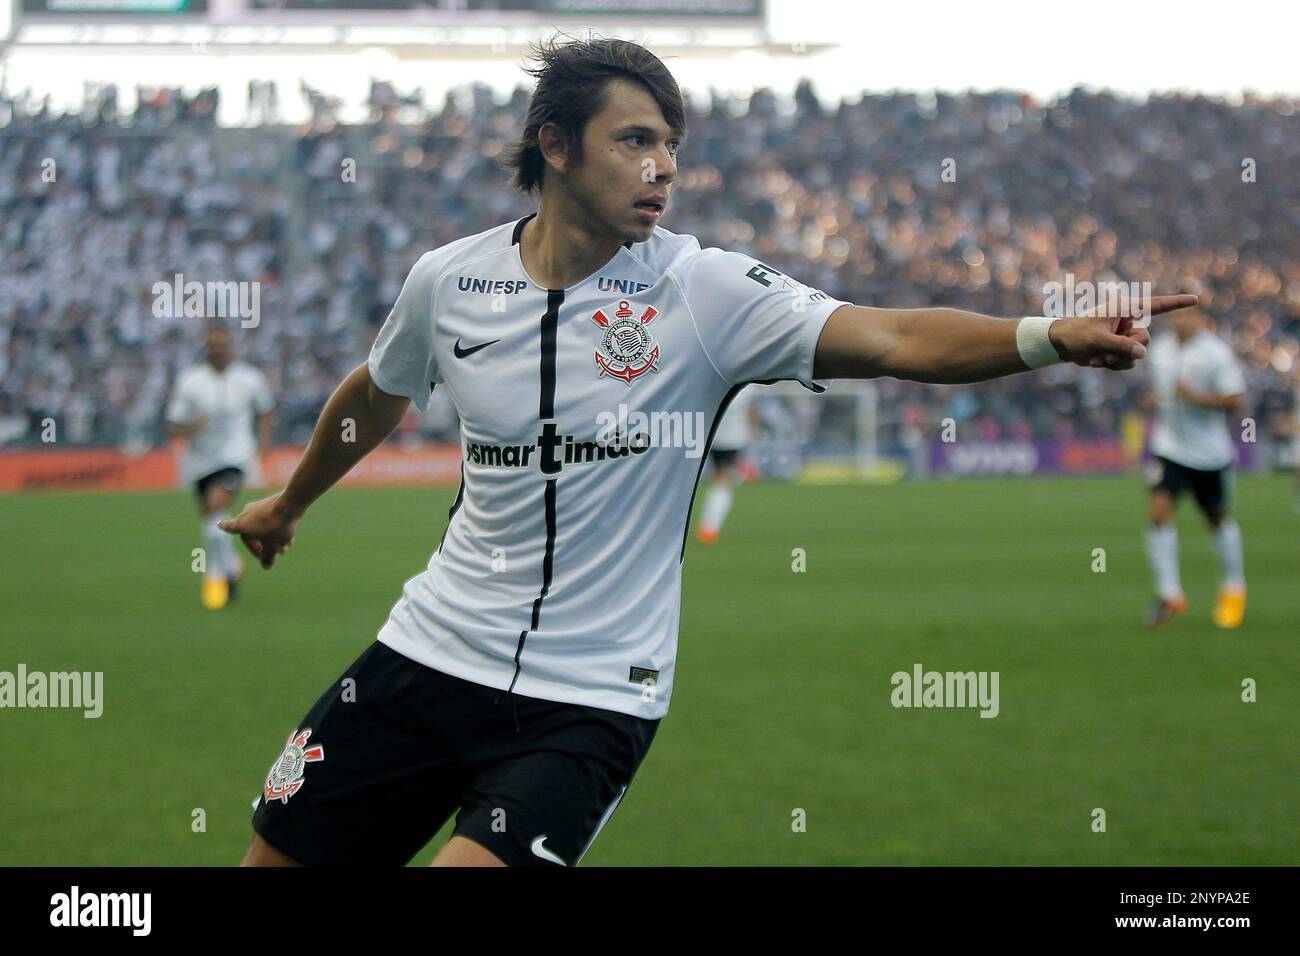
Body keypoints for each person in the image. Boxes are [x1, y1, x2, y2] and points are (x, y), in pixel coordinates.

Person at [221, 37, 1186, 868]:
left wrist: (1045, 336)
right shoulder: (450, 279)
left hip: (587, 698)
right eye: (635, 140)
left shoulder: (705, 290)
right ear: (555, 147)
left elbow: (891, 339)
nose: (663, 168)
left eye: (672, 146)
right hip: (424, 655)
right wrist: (290, 502)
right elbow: (378, 392)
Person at [1142, 307, 1248, 629]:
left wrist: (1196, 398)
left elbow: (1235, 400)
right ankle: (1169, 594)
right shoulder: (1159, 349)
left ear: (1201, 319)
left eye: (1189, 316)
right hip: (1169, 448)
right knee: (1158, 513)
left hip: (1209, 454)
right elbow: (1161, 391)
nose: (1182, 322)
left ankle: (1233, 588)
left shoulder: (1216, 352)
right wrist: (1155, 400)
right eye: (1178, 316)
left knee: (1216, 519)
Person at [166, 325, 275, 610]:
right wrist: (192, 426)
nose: (219, 351)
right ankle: (231, 565)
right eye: (214, 347)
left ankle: (214, 575)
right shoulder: (191, 382)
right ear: (208, 349)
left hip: (236, 456)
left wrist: (262, 443)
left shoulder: (249, 378)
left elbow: (265, 409)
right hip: (201, 461)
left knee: (216, 507)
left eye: (223, 346)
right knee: (212, 519)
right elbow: (173, 424)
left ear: (231, 348)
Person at [696, 385, 758, 545]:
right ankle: (709, 527)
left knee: (718, 477)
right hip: (732, 438)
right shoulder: (748, 386)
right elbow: (751, 410)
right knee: (722, 480)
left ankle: (708, 527)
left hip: (708, 435)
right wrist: (753, 433)